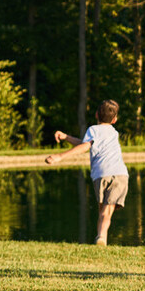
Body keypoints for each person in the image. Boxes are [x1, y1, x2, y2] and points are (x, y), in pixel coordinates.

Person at [48, 100, 129, 246]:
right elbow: (86, 144)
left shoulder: (93, 129)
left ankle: (101, 238)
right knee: (107, 211)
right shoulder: (114, 132)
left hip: (103, 174)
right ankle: (101, 238)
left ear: (96, 114)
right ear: (115, 120)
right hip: (121, 174)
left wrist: (60, 156)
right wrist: (66, 137)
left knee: (103, 211)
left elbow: (86, 145)